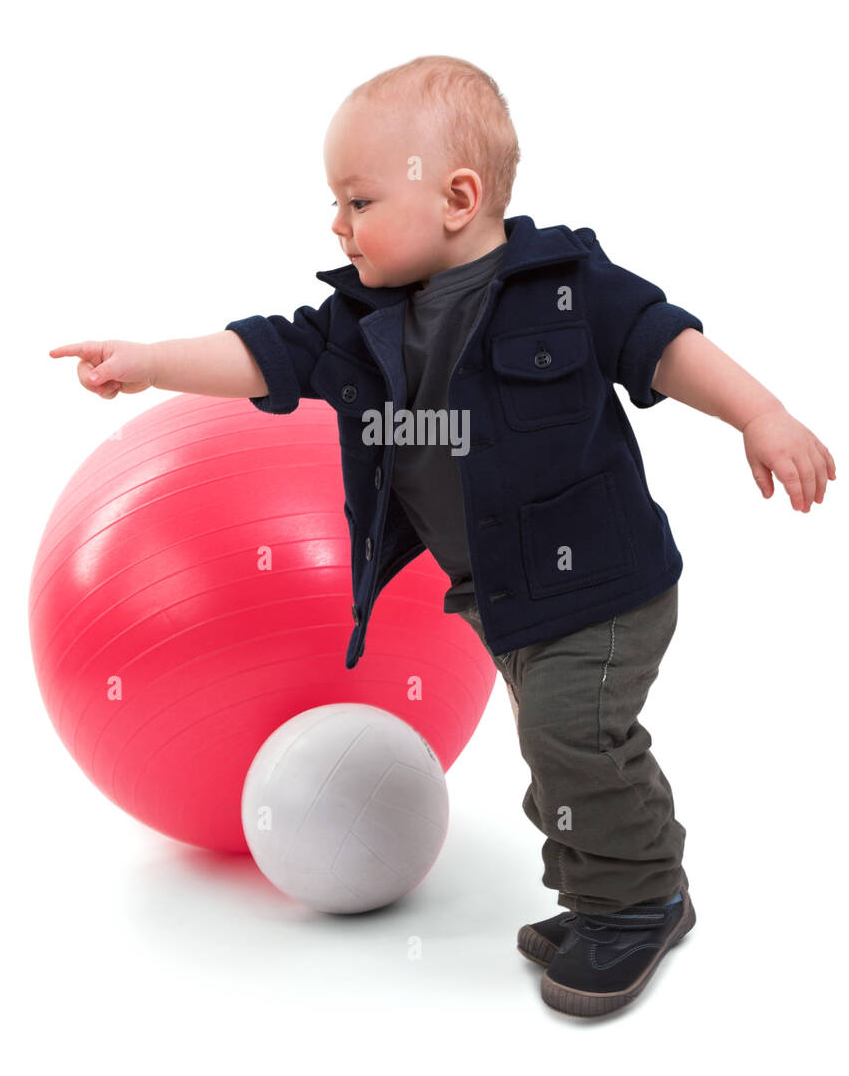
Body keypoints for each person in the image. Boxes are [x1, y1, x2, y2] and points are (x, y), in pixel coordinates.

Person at [50, 54, 836, 1018]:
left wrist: (764, 416)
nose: (338, 225)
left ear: (457, 196)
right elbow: (263, 353)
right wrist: (148, 363)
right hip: (506, 595)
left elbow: (667, 344)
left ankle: (640, 902)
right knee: (558, 748)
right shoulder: (363, 319)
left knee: (575, 737)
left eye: (358, 199)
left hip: (603, 584)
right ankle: (604, 893)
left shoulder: (566, 282)